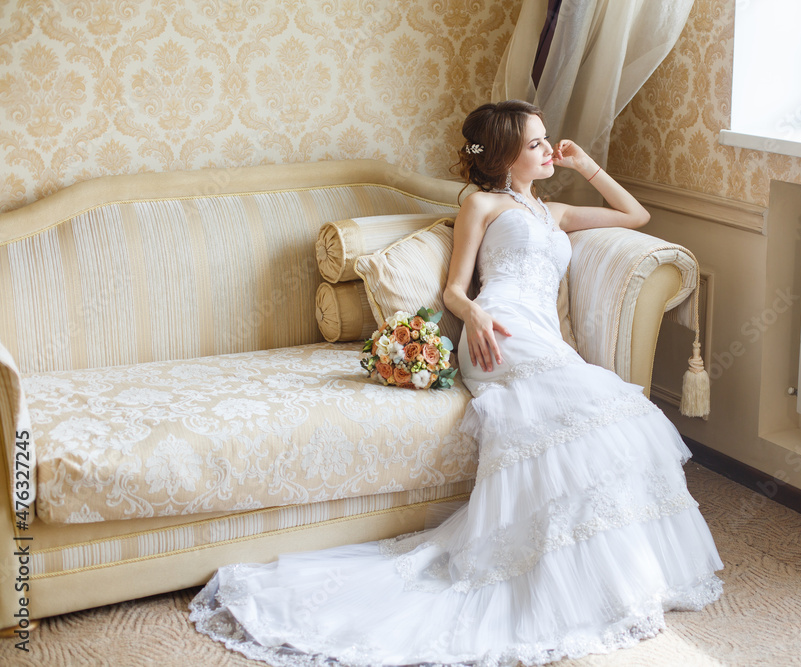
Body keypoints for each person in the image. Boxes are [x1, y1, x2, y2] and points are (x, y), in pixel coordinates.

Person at [190, 100, 723, 666]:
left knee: (617, 416)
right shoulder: (481, 204)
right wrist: (473, 317)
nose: (549, 150)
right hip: (498, 332)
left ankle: (602, 571)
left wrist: (586, 165)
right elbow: (454, 289)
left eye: (548, 141)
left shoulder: (555, 213)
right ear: (503, 155)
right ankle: (559, 572)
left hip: (544, 340)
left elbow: (635, 216)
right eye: (537, 143)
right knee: (594, 409)